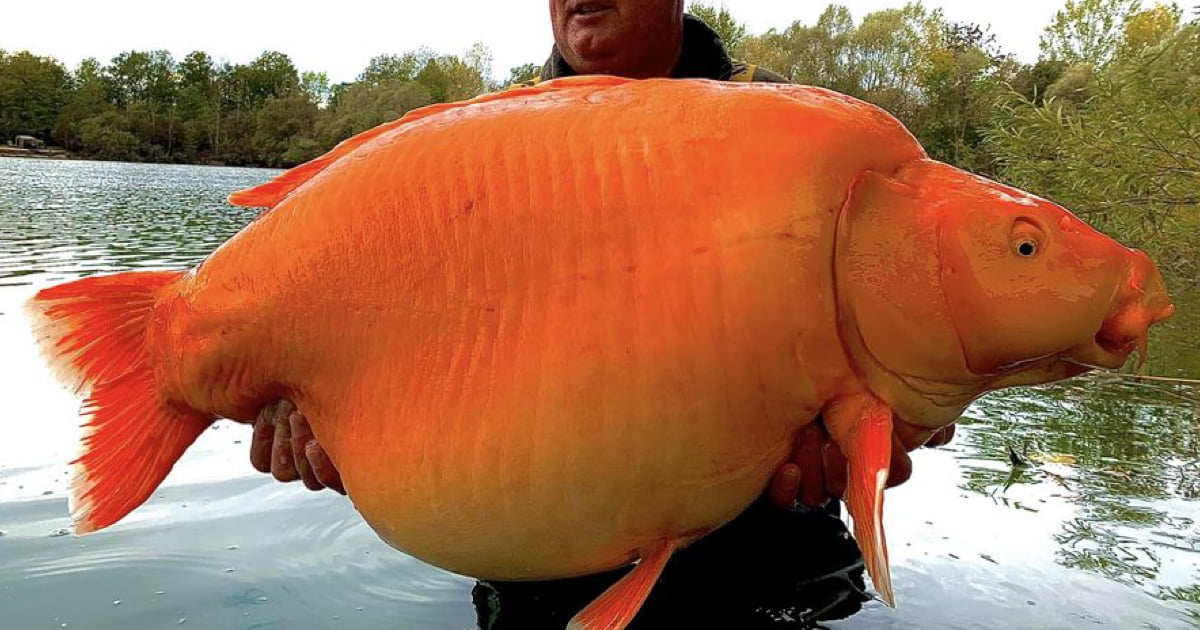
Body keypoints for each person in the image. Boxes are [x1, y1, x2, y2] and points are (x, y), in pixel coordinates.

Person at [243, 2, 955, 626]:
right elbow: (426, 349)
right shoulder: (487, 145)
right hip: (540, 570)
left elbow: (935, 349)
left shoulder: (803, 129)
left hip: (776, 568)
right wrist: (330, 422)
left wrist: (897, 420)